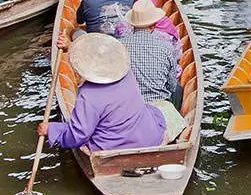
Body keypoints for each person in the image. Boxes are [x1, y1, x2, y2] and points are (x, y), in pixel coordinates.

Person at [37, 34, 168, 153]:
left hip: (112, 148)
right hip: (149, 137)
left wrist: (52, 129)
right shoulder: (127, 73)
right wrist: (70, 46)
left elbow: (79, 135)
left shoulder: (88, 95)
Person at [119, 0, 182, 106]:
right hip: (158, 102)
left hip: (128, 102)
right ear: (153, 26)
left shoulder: (119, 45)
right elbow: (171, 85)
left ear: (132, 25)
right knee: (178, 89)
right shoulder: (166, 48)